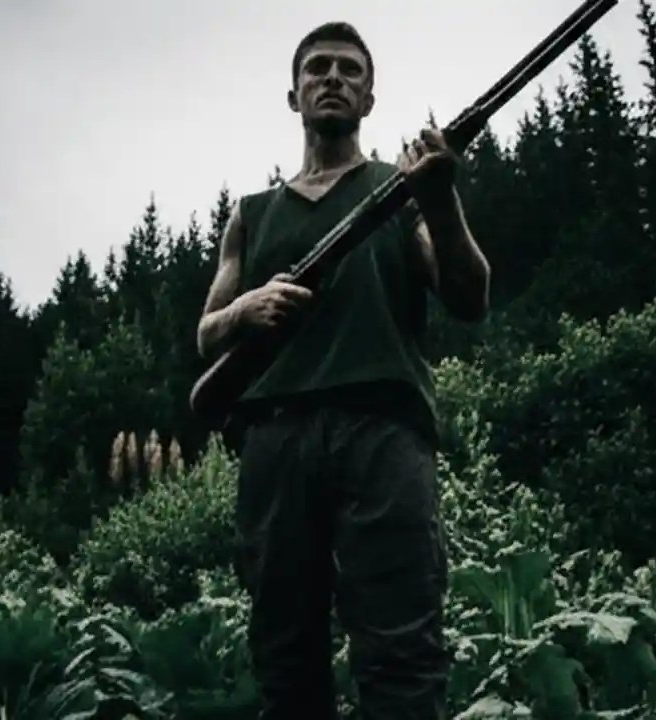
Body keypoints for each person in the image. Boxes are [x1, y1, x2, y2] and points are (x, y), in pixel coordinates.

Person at [195, 20, 490, 719]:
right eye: (318, 68)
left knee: (403, 653)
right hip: (276, 439)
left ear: (370, 98)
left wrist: (442, 196)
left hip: (383, 433)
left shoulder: (402, 189)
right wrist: (250, 308)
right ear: (293, 96)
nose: (333, 78)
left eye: (350, 70)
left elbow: (471, 298)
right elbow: (207, 334)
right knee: (284, 655)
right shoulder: (251, 214)